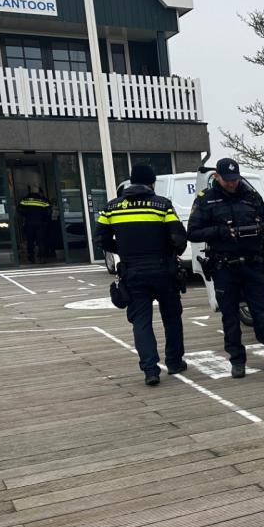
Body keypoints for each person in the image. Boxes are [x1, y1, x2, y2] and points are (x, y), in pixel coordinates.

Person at [189, 158, 264, 378]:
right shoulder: (206, 200)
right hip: (225, 266)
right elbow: (192, 232)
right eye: (228, 180)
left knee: (262, 314)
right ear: (217, 177)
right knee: (230, 317)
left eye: (235, 179)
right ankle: (237, 361)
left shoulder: (251, 196)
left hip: (252, 263)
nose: (232, 184)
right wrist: (221, 232)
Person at [94, 164, 187, 386]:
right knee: (172, 318)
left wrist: (121, 250)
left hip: (133, 271)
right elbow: (179, 238)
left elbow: (100, 239)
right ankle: (174, 363)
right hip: (163, 270)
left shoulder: (111, 208)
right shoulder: (162, 205)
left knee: (141, 322)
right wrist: (171, 252)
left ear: (130, 182)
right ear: (152, 183)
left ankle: (150, 370)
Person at [18, 188, 52, 263]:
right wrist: (44, 218)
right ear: (40, 192)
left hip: (29, 223)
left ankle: (31, 257)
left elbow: (19, 209)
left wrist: (26, 214)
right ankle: (42, 257)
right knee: (41, 240)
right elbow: (49, 211)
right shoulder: (43, 200)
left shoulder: (26, 199)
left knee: (30, 240)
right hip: (40, 224)